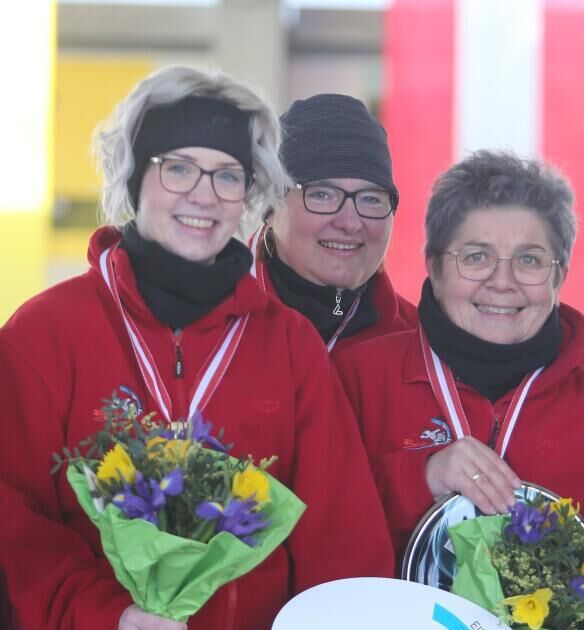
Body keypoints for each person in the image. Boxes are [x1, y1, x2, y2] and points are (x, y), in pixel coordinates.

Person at [0, 66, 392, 630]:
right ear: (135, 178)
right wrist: (107, 616)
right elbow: (14, 523)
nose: (203, 197)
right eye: (179, 168)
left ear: (248, 195)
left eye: (228, 176)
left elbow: (342, 539)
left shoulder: (287, 345)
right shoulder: (46, 333)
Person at [334, 150, 584, 559]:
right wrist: (420, 479)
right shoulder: (355, 379)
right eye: (476, 257)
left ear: (559, 274)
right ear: (435, 269)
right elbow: (309, 528)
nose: (502, 282)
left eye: (529, 260)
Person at [252, 93, 416, 352]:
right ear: (272, 205)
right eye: (322, 195)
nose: (350, 222)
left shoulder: (419, 345)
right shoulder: (212, 323)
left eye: (371, 199)